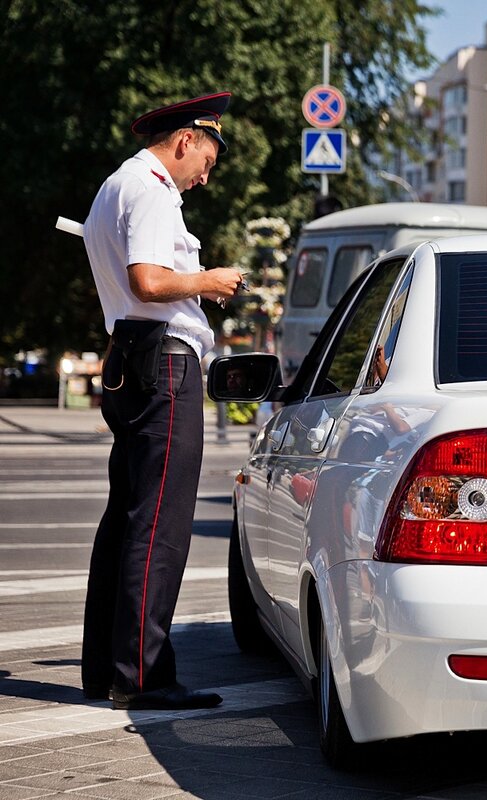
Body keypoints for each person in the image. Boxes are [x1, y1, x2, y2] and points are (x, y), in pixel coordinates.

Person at [81, 92, 244, 710]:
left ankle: (106, 668)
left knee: (125, 521)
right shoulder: (151, 189)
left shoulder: (115, 185)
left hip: (132, 357)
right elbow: (148, 280)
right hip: (164, 364)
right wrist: (208, 280)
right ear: (185, 140)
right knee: (159, 528)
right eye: (207, 157)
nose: (205, 174)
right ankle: (142, 675)